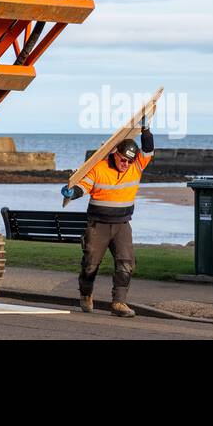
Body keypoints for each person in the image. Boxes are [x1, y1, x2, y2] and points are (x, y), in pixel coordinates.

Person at [61, 118, 154, 317]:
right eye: (123, 160)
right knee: (90, 264)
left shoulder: (136, 167)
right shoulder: (99, 167)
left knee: (126, 263)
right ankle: (86, 295)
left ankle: (119, 303)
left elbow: (148, 151)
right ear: (115, 153)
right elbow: (84, 186)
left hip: (122, 224)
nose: (126, 164)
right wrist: (72, 193)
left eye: (129, 161)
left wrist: (146, 130)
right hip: (98, 225)